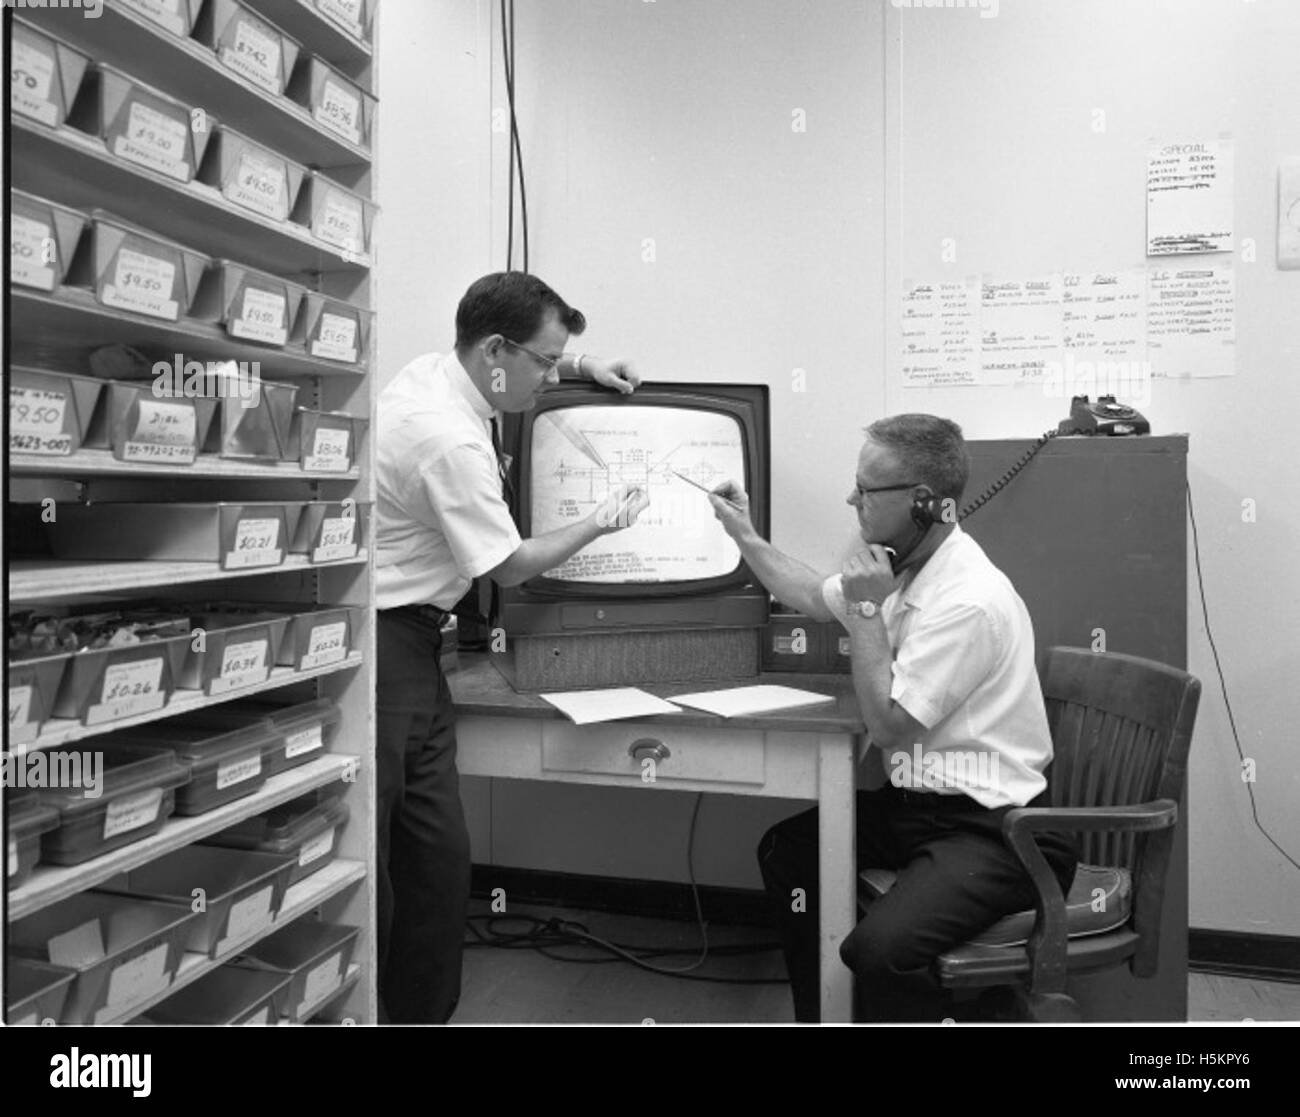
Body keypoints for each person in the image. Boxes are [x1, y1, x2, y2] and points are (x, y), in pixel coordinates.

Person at [707, 413, 1077, 1022]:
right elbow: (808, 593)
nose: (852, 499)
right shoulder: (903, 564)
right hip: (919, 808)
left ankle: (981, 1010)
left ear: (927, 503)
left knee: (881, 951)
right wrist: (743, 533)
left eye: (867, 490)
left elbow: (888, 726)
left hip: (996, 830)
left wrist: (868, 611)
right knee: (787, 852)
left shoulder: (968, 601)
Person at [374, 272, 649, 1023]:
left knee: (435, 857)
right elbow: (510, 564)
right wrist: (600, 521)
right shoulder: (446, 436)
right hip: (384, 647)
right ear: (495, 348)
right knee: (387, 857)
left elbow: (516, 370)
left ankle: (420, 1013)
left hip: (416, 643)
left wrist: (583, 370)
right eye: (545, 361)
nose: (551, 374)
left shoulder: (448, 372)